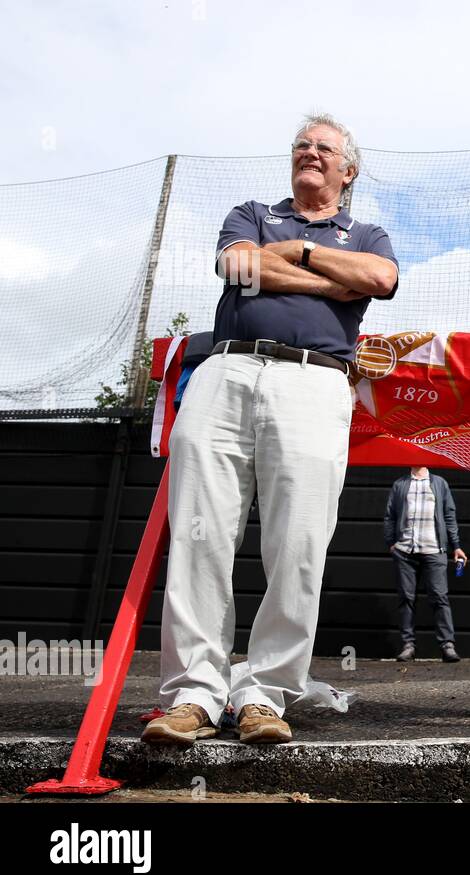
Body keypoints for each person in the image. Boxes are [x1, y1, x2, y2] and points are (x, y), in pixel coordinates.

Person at [143, 113, 398, 746]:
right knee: (199, 535)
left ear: (349, 170)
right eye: (301, 146)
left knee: (301, 542)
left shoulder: (367, 232)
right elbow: (238, 268)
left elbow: (380, 280)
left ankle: (263, 695)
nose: (309, 153)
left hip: (315, 380)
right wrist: (325, 280)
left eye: (324, 148)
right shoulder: (252, 211)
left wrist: (299, 252)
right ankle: (195, 695)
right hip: (225, 370)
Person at [384, 466, 468, 662]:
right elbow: (390, 515)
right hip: (405, 551)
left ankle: (447, 645)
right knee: (406, 598)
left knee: (439, 597)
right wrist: (391, 543)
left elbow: (449, 515)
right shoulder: (401, 484)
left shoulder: (439, 483)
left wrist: (455, 545)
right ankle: (408, 645)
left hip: (434, 550)